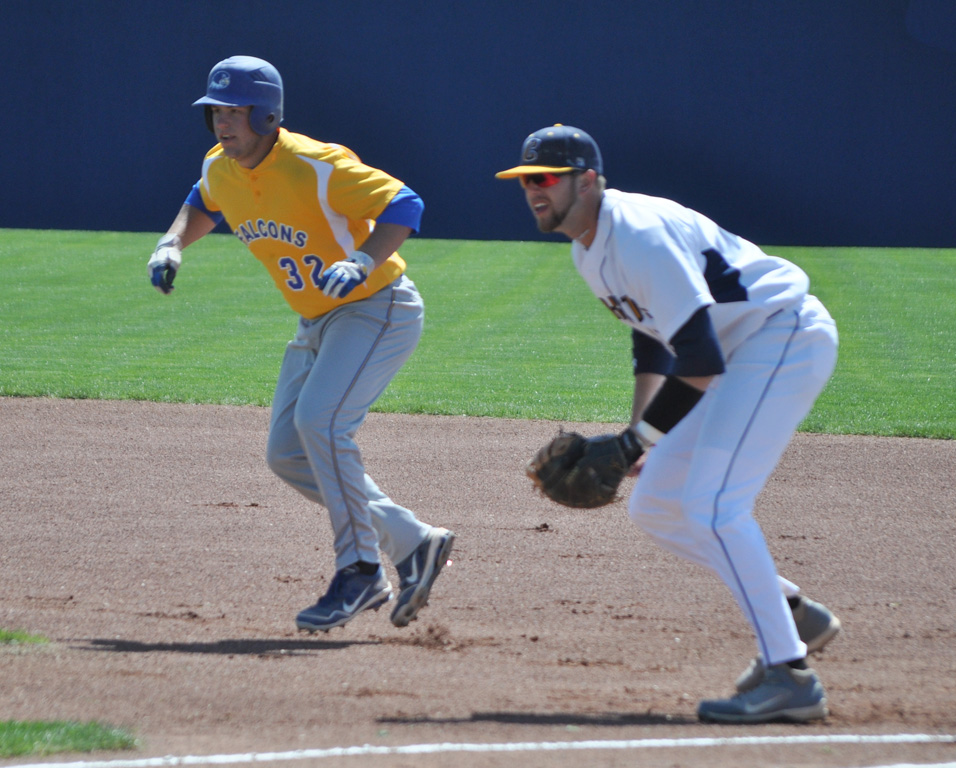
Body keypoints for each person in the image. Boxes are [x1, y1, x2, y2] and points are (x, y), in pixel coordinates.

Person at [496, 125, 841, 723]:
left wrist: (635, 440)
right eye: (526, 180)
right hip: (738, 353)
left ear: (588, 181)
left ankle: (790, 675)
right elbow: (655, 340)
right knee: (656, 504)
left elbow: (701, 357)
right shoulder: (588, 248)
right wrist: (638, 442)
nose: (533, 190)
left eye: (545, 178)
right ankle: (787, 611)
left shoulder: (638, 236)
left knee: (712, 506)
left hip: (780, 337)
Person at [147, 55, 454, 633]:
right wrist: (172, 243)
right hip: (315, 323)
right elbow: (202, 200)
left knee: (321, 423)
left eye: (235, 111)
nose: (223, 123)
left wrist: (362, 258)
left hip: (376, 307)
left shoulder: (317, 164)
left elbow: (405, 203)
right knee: (287, 451)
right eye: (216, 111)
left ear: (265, 114)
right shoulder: (221, 167)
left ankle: (361, 571)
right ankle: (414, 542)